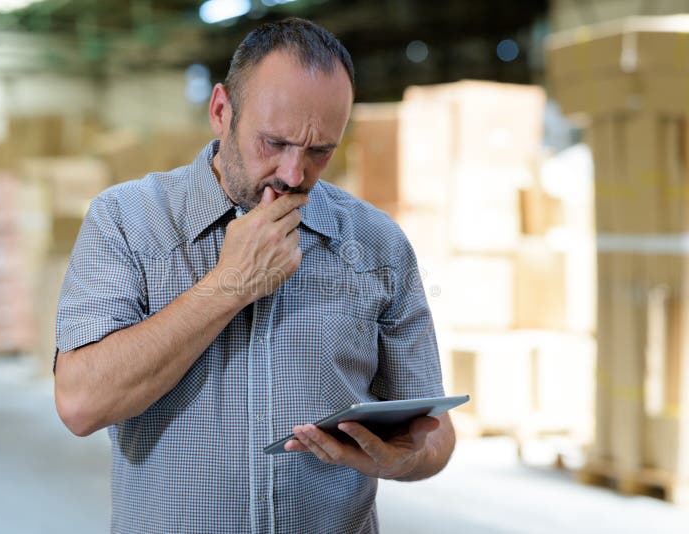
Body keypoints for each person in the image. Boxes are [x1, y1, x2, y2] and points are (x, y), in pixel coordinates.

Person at [54, 17, 455, 533]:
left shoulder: (377, 244)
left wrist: (404, 461)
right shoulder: (128, 221)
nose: (293, 175)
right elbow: (81, 403)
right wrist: (231, 284)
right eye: (274, 142)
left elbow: (436, 433)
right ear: (221, 111)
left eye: (319, 152)